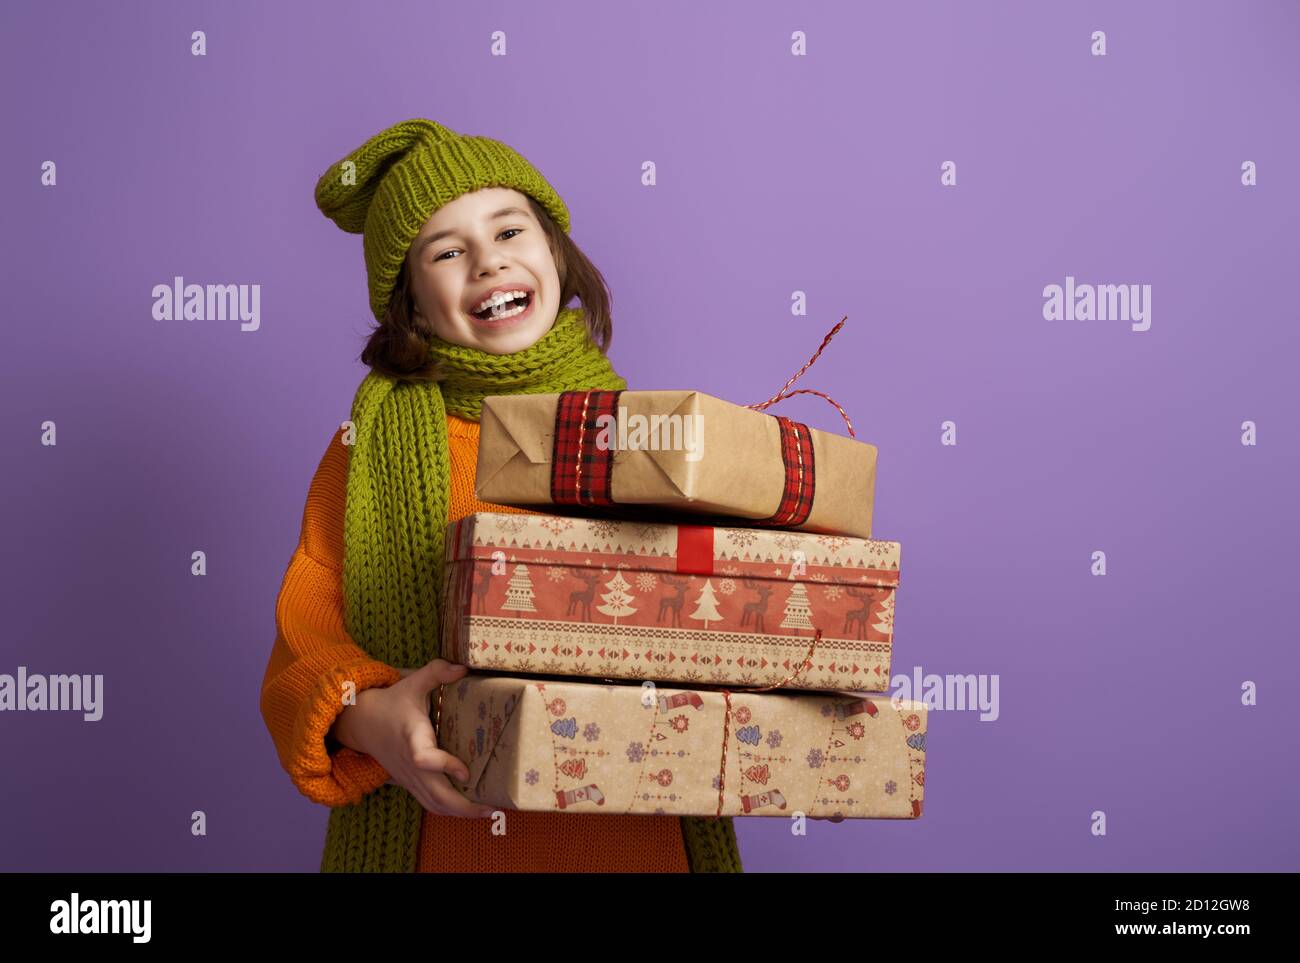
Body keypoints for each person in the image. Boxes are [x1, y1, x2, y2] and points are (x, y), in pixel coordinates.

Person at [258, 118, 744, 872]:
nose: (488, 261)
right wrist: (373, 717)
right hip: (444, 842)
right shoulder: (367, 451)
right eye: (447, 251)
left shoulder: (656, 441)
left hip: (637, 840)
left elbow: (734, 620)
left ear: (553, 251)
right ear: (413, 305)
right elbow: (302, 645)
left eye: (509, 229)